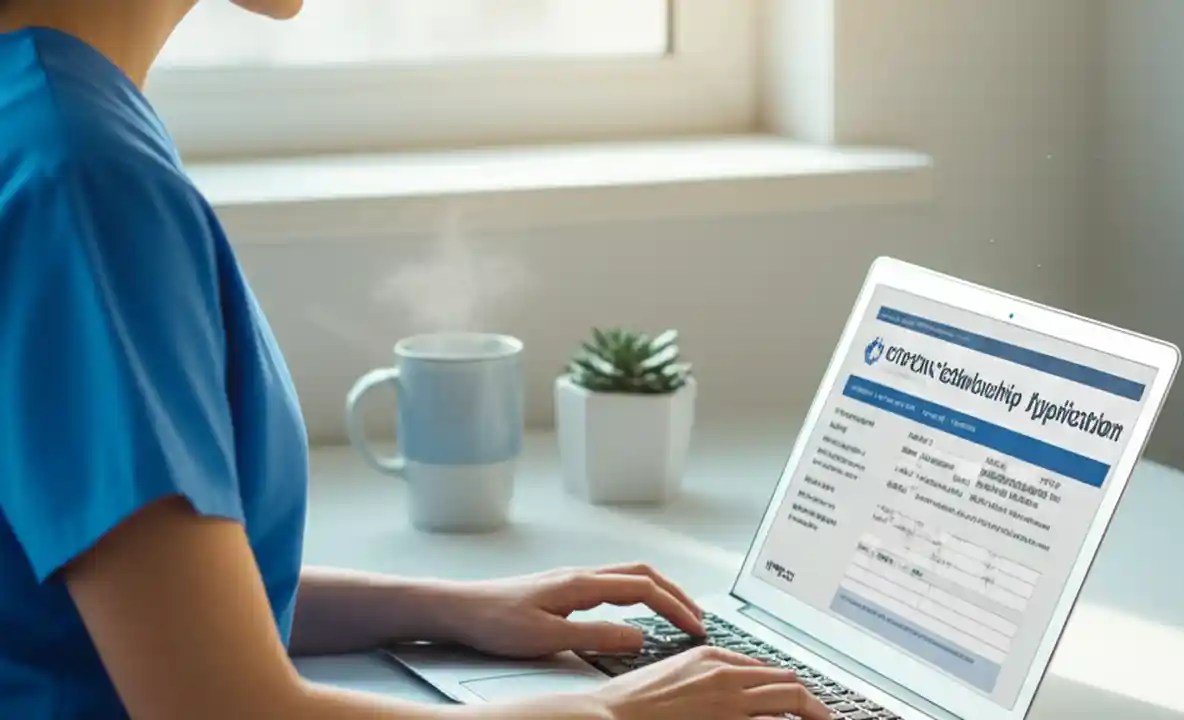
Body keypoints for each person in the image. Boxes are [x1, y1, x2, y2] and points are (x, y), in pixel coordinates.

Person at [0, 1, 831, 718]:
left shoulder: (43, 105)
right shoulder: (86, 179)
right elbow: (220, 707)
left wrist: (445, 608)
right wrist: (604, 710)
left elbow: (137, 610)